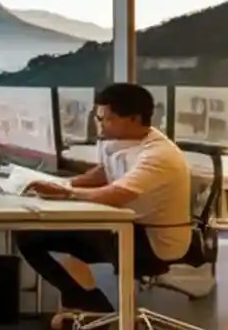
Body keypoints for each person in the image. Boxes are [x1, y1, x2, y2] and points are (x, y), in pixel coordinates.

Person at [16, 83, 192, 328]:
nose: (100, 125)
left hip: (152, 241)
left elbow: (116, 194)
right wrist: (63, 183)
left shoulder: (158, 154)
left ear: (134, 118)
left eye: (106, 119)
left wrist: (65, 193)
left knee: (38, 235)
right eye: (98, 118)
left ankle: (90, 305)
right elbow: (104, 173)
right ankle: (90, 303)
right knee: (29, 236)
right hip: (126, 227)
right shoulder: (121, 141)